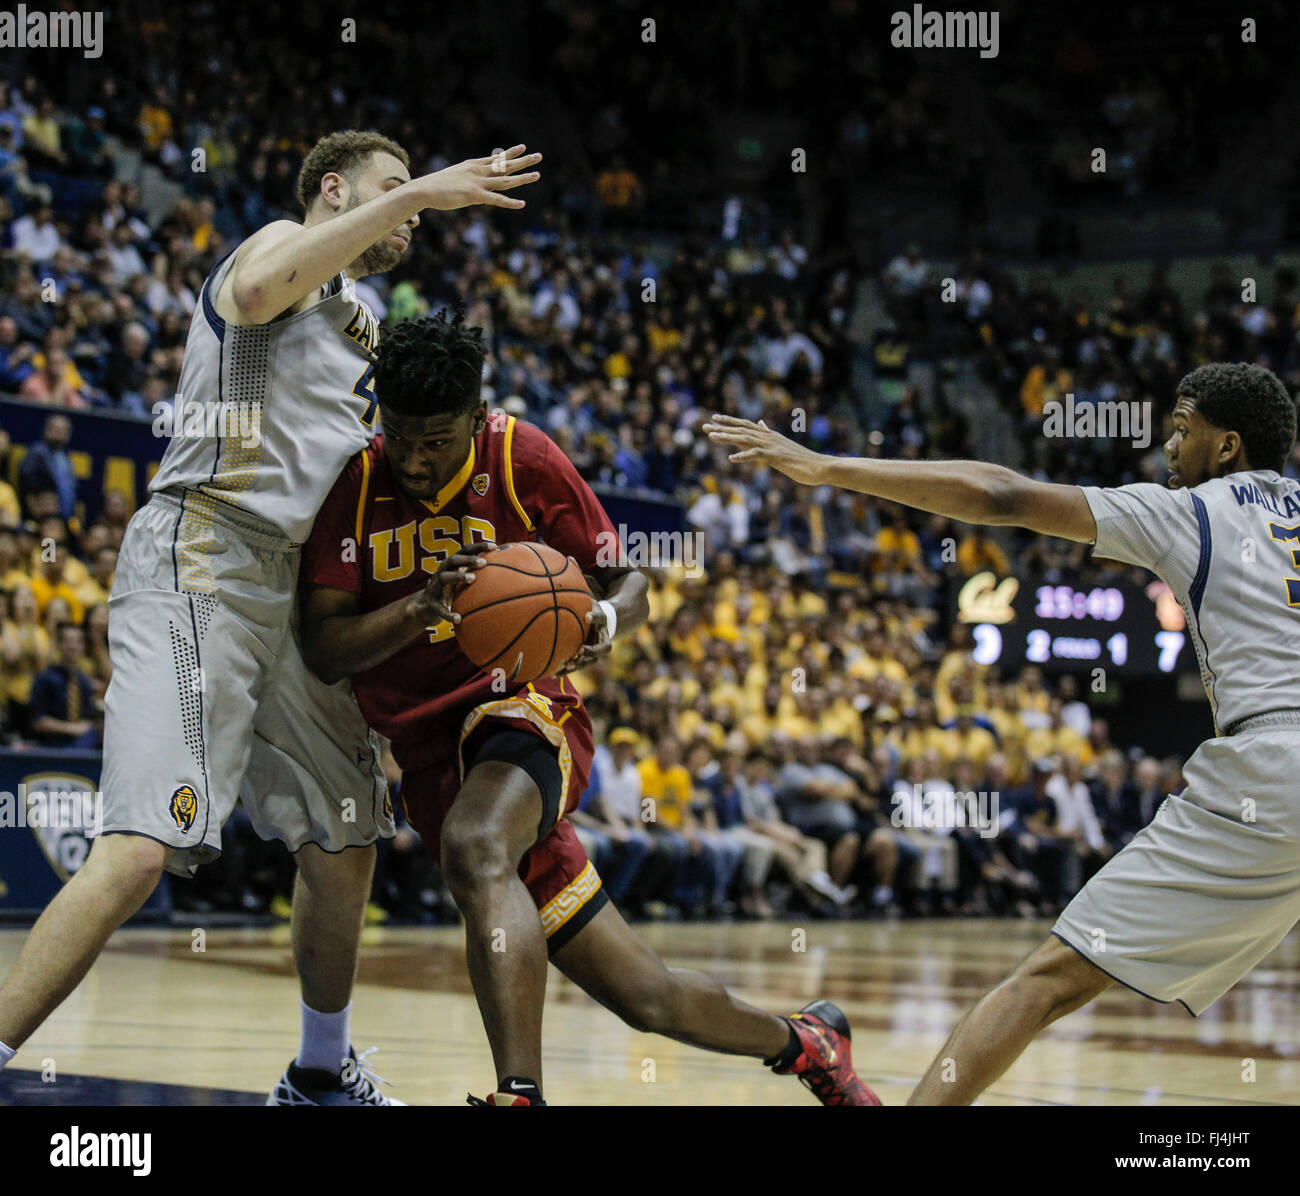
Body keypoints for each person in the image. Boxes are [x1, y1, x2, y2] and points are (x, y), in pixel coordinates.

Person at [0, 130, 542, 1105]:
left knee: (343, 836)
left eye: (412, 200)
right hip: (202, 558)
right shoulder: (276, 243)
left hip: (298, 595)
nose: (409, 210)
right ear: (335, 189)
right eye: (391, 189)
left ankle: (319, 1070)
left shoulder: (367, 317)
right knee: (137, 849)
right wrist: (429, 186)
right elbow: (256, 296)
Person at [299, 312, 877, 1106]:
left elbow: (626, 581)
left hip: (526, 711)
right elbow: (324, 647)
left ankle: (519, 1094)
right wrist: (416, 609)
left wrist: (601, 621)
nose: (418, 457)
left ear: (475, 417)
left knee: (474, 843)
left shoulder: (521, 456)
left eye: (437, 439)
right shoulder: (359, 483)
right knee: (646, 996)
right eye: (401, 435)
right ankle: (807, 1043)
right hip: (434, 754)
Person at [707, 360, 1300, 1104]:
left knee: (1049, 980)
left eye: (1183, 432)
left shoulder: (1195, 510)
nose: (1168, 451)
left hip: (1272, 765)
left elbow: (1001, 494)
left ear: (1227, 447)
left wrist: (825, 467)